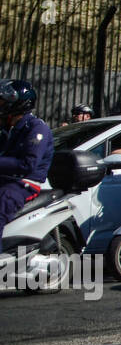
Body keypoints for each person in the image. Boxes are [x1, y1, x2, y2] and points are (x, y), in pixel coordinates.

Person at [0, 80, 54, 242]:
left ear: (18, 103)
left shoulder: (36, 128)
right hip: (6, 179)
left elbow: (27, 164)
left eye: (3, 101)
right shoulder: (6, 128)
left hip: (24, 183)